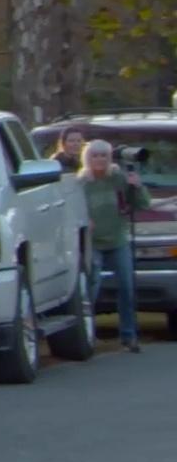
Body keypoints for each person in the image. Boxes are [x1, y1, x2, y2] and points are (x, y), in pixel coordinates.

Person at [80, 139, 153, 353]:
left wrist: (137, 187)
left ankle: (128, 335)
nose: (100, 159)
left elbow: (142, 204)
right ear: (88, 158)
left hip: (118, 239)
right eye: (95, 155)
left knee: (127, 286)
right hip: (93, 242)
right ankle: (87, 334)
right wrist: (84, 222)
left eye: (104, 155)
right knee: (92, 286)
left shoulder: (118, 178)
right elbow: (73, 212)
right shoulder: (82, 182)